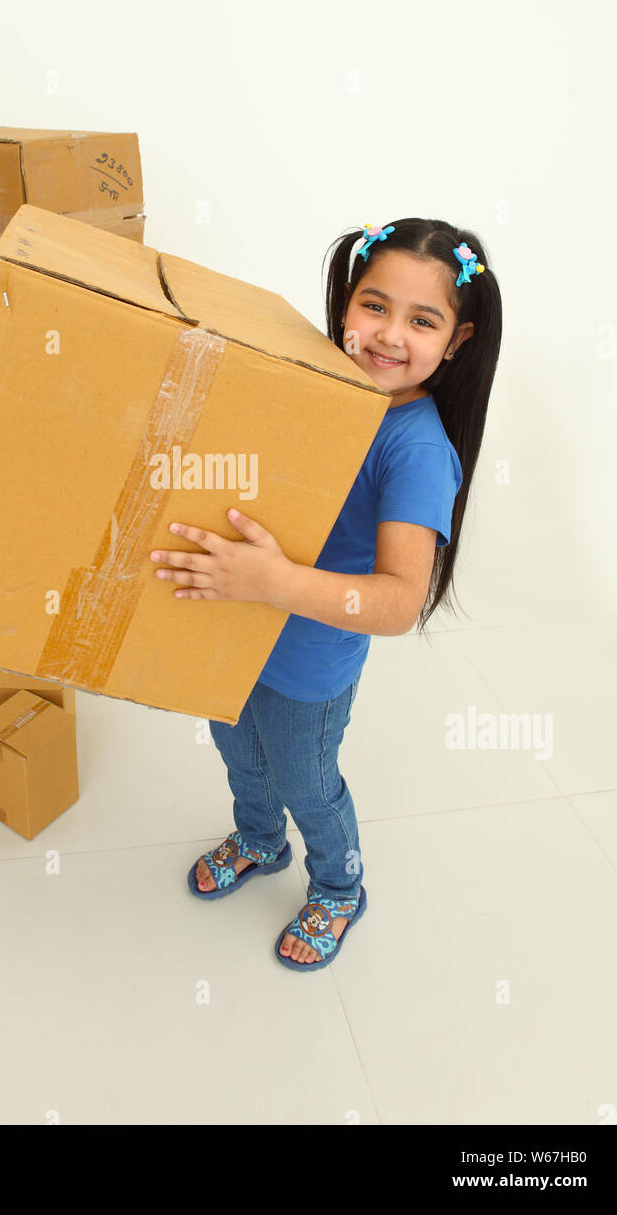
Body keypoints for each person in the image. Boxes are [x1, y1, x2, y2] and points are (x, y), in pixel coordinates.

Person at [148, 218, 502, 972]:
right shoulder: (313, 389)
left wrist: (272, 581)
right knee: (238, 753)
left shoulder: (416, 449)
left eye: (422, 320)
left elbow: (400, 601)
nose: (389, 335)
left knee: (307, 782)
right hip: (234, 632)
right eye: (374, 307)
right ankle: (259, 840)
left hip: (308, 666)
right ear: (344, 304)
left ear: (458, 341)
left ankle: (339, 885)